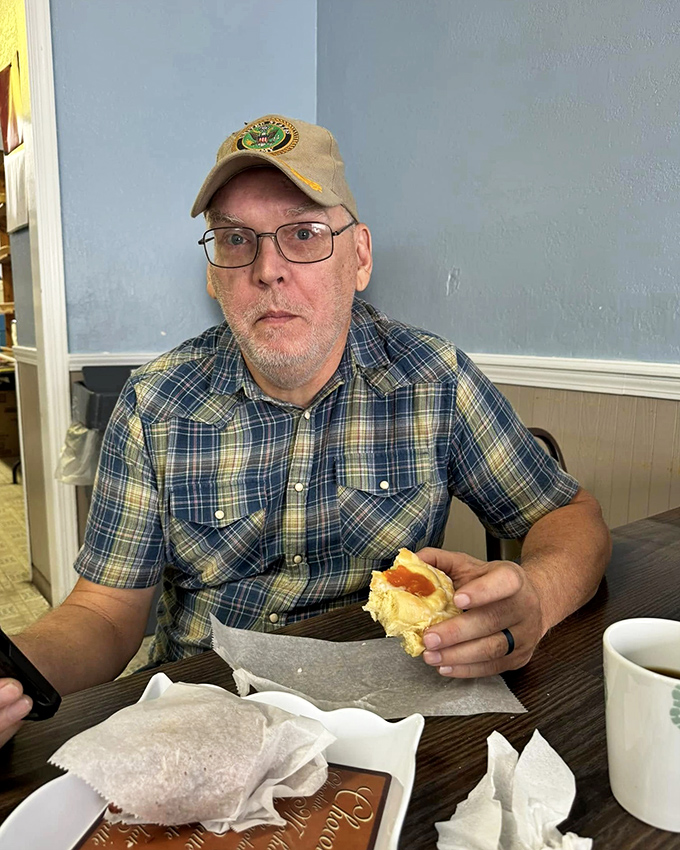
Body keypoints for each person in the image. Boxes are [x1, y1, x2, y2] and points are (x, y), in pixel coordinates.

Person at [0, 115, 610, 747]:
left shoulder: (435, 380)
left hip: (385, 721)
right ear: (215, 275)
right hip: (201, 720)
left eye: (304, 233)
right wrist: (11, 676)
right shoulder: (156, 401)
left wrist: (537, 593)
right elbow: (104, 613)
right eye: (236, 240)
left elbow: (570, 514)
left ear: (360, 256)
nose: (268, 269)